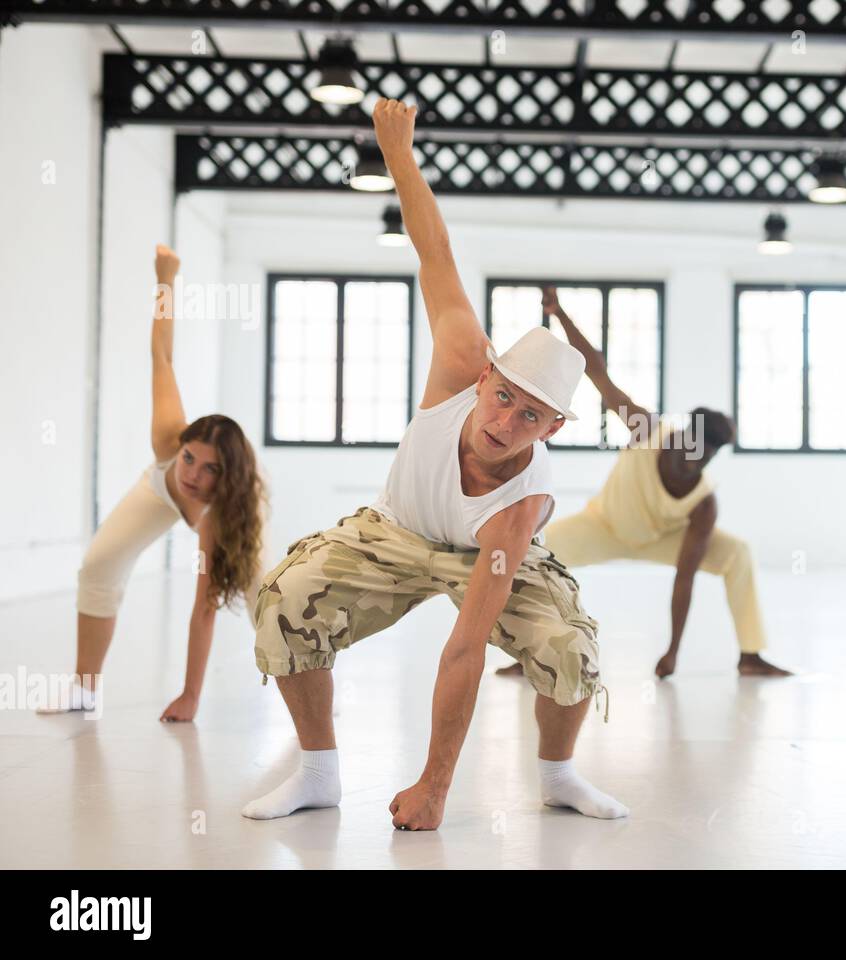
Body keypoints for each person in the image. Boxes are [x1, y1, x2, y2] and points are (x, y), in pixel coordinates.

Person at [241, 99, 626, 830]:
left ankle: (560, 775)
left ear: (556, 427)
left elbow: (464, 648)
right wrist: (398, 153)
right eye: (504, 398)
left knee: (571, 651)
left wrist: (435, 787)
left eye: (531, 418)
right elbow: (435, 252)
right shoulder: (459, 361)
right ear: (486, 378)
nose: (504, 424)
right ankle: (318, 773)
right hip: (393, 531)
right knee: (287, 599)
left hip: (483, 555)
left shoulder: (522, 506)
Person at [496, 285, 790, 680]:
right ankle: (527, 652)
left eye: (705, 458)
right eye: (692, 450)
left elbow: (684, 578)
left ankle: (750, 656)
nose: (694, 462)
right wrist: (560, 312)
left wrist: (672, 653)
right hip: (603, 526)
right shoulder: (645, 428)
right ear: (684, 434)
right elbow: (596, 371)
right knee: (533, 550)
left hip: (662, 539)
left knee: (737, 553)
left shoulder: (704, 503)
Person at [40, 244, 266, 722]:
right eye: (190, 459)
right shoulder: (170, 444)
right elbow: (161, 354)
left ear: (226, 478)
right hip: (156, 494)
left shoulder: (221, 516)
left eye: (209, 469)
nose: (193, 475)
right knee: (98, 564)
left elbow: (204, 609)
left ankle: (306, 697)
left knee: (266, 608)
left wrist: (190, 696)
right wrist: (166, 280)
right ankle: (83, 688)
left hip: (227, 523)